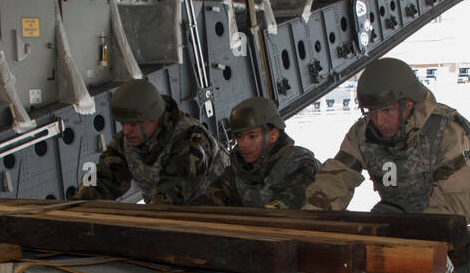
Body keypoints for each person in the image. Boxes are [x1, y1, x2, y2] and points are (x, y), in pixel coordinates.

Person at [306, 57, 470, 273]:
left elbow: (450, 211)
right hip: (407, 232)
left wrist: (397, 247)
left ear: (408, 104)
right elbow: (337, 178)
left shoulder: (446, 132)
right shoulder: (363, 134)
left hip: (466, 243)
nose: (379, 121)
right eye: (371, 112)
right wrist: (310, 221)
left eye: (386, 111)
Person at [75, 79, 225, 205]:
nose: (126, 131)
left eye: (133, 124)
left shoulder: (190, 142)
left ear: (154, 117)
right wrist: (76, 205)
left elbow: (167, 201)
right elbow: (102, 179)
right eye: (123, 124)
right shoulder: (127, 142)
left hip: (220, 213)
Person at [200, 97, 318, 208]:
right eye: (239, 136)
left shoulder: (298, 163)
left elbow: (290, 205)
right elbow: (208, 203)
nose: (243, 144)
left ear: (273, 135)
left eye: (251, 136)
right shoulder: (237, 171)